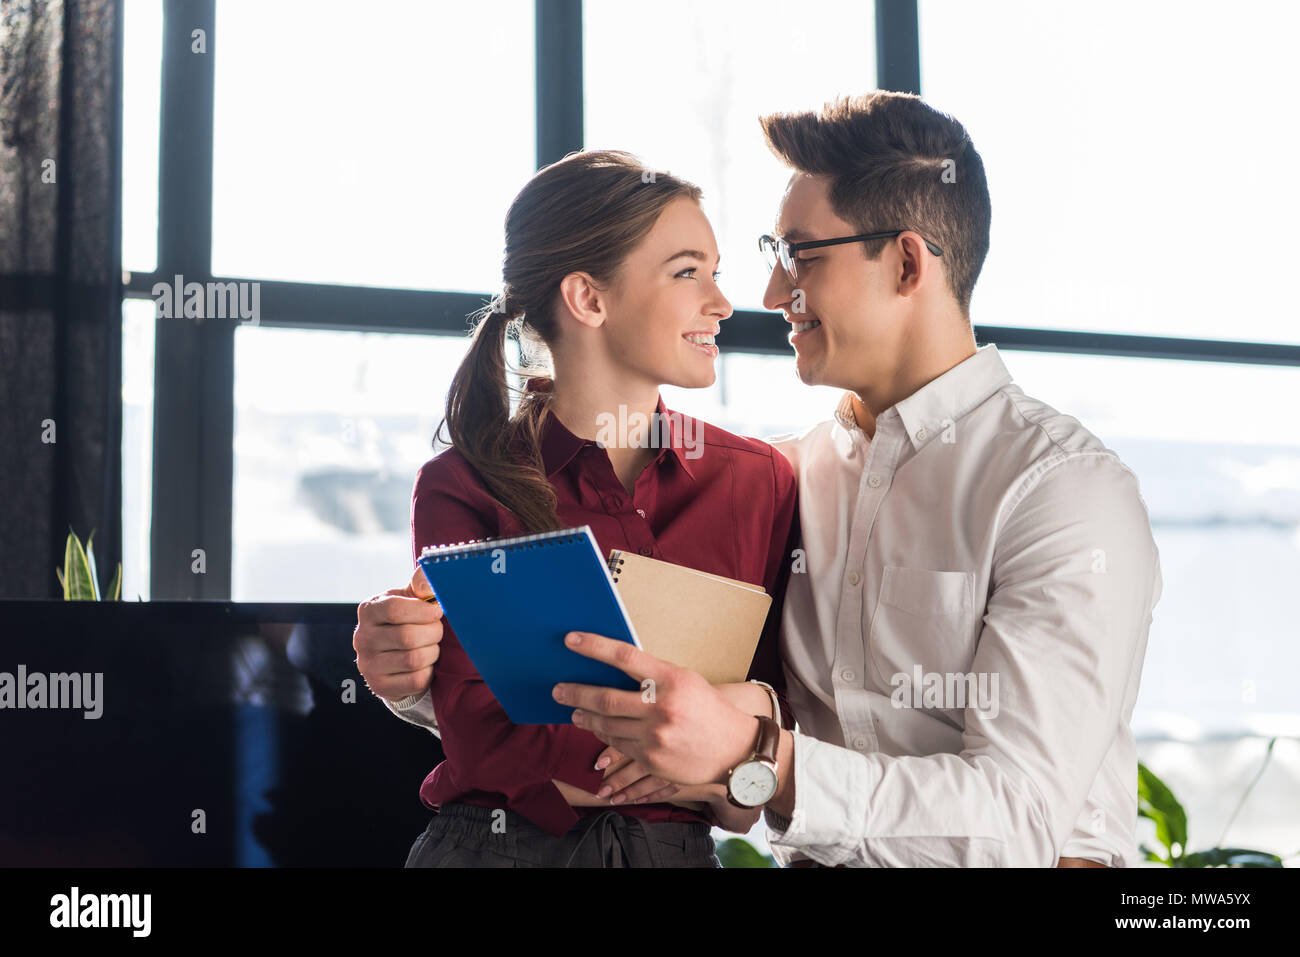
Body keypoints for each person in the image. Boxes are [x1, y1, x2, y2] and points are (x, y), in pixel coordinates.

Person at [551, 92, 1162, 867]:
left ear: (907, 262)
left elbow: (1015, 821)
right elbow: (650, 705)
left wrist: (761, 754)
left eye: (801, 255)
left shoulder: (1062, 489)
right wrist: (426, 675)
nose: (772, 295)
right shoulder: (785, 476)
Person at [360, 149, 799, 867]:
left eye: (715, 273)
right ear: (589, 299)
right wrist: (689, 749)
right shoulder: (463, 485)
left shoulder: (757, 482)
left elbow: (769, 728)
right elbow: (480, 738)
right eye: (689, 272)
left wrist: (722, 751)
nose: (720, 303)